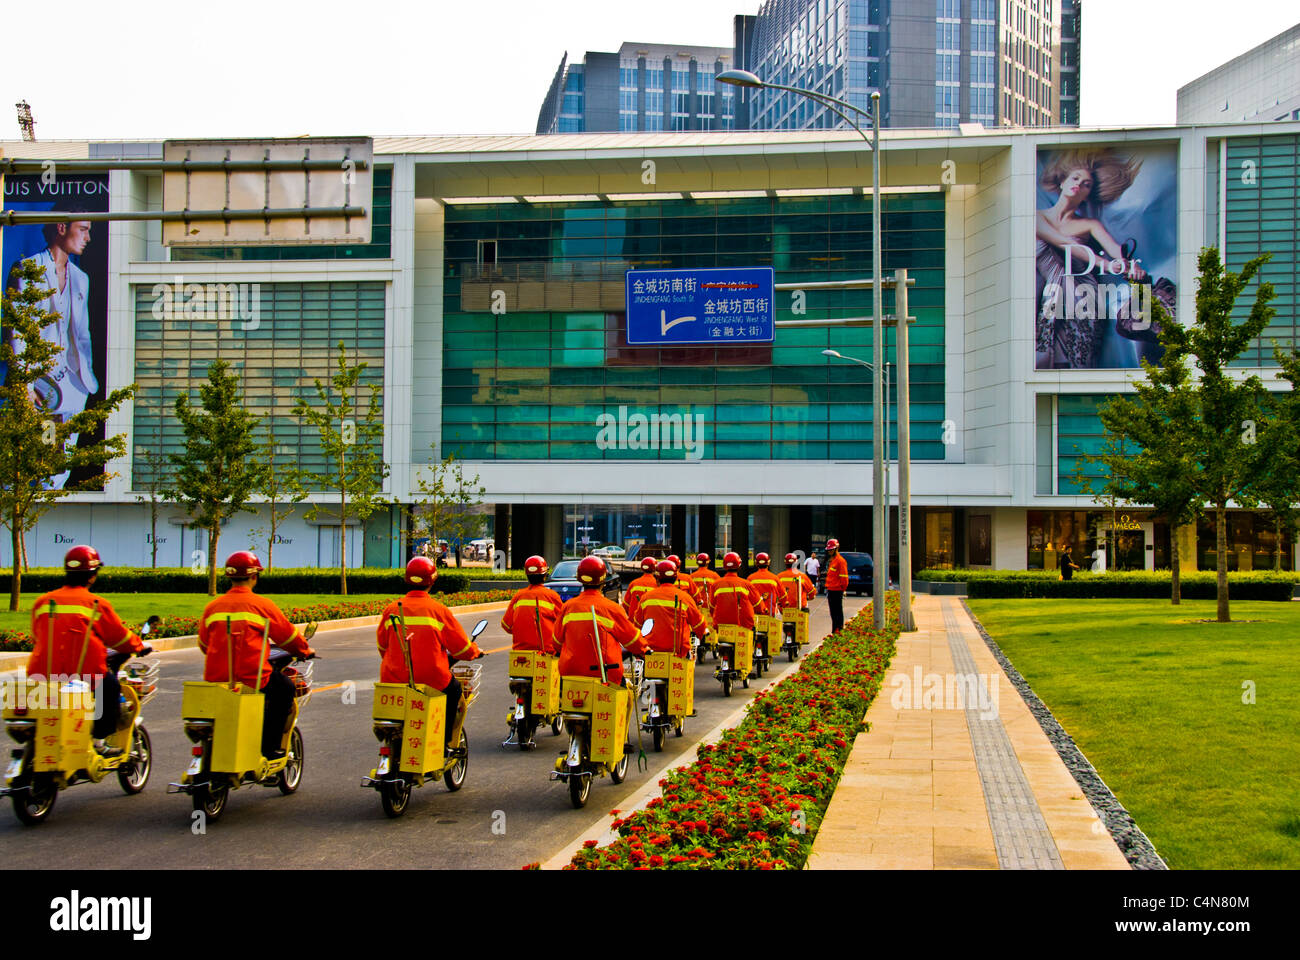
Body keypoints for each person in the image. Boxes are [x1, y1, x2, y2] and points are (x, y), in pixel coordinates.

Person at [6, 208, 99, 490]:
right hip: (41, 384)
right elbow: (16, 331)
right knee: (47, 460)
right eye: (83, 229)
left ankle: (40, 515)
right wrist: (24, 383)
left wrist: (85, 380)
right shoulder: (28, 270)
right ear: (62, 227)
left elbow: (82, 335)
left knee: (61, 467)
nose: (88, 237)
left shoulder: (81, 278)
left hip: (74, 383)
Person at [1035, 150, 1150, 370]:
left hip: (1083, 298)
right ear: (1063, 182)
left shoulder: (1090, 225)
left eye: (1086, 184)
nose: (1079, 184)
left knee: (1080, 364)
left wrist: (1130, 266)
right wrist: (1105, 264)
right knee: (1042, 363)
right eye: (1075, 178)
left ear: (1088, 194)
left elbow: (1116, 251)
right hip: (1049, 299)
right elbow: (1065, 244)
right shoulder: (1036, 217)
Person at [28, 545, 146, 757]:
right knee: (110, 687)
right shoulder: (95, 605)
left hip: (42, 675)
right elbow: (119, 638)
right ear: (92, 576)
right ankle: (99, 741)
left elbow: (36, 636)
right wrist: (139, 646)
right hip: (83, 676)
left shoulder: (43, 602)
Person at [200, 551, 315, 759]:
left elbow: (204, 644)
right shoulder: (262, 605)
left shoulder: (212, 607)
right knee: (285, 689)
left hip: (216, 680)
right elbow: (288, 638)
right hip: (253, 679)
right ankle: (269, 748)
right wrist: (305, 650)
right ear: (254, 577)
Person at [376, 556, 484, 746]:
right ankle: (443, 743)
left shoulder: (391, 610)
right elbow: (462, 648)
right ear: (433, 580)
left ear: (406, 579)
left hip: (393, 681)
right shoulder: (438, 610)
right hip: (432, 681)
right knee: (455, 690)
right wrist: (475, 651)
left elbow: (383, 647)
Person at [555, 556, 647, 687]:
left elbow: (557, 643)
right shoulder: (612, 608)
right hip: (605, 674)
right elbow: (632, 639)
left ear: (579, 579)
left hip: (571, 673)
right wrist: (645, 648)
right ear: (604, 580)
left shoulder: (567, 607)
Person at [639, 560, 707, 660]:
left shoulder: (646, 598)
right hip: (679, 652)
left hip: (651, 651)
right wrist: (701, 635)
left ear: (657, 578)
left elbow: (637, 625)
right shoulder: (685, 598)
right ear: (675, 578)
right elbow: (699, 624)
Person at [501, 555, 564, 654]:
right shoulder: (552, 596)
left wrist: (523, 632)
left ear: (527, 575)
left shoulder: (518, 596)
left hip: (520, 654)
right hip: (547, 653)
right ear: (545, 575)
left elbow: (506, 625)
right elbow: (563, 626)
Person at [708, 552, 763, 633]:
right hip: (744, 627)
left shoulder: (716, 584)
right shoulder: (746, 584)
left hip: (721, 628)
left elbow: (711, 608)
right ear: (739, 565)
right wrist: (763, 610)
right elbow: (758, 606)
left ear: (724, 565)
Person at [622, 555, 659, 623]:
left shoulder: (634, 583)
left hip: (634, 622)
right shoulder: (657, 584)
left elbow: (625, 605)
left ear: (642, 568)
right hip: (651, 623)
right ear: (655, 568)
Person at [824, 538, 849, 633]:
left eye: (831, 549)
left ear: (836, 549)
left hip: (837, 590)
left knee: (837, 612)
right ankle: (835, 630)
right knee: (833, 613)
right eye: (829, 550)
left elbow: (844, 578)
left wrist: (843, 589)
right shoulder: (833, 561)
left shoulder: (840, 561)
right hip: (831, 590)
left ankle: (838, 629)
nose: (830, 551)